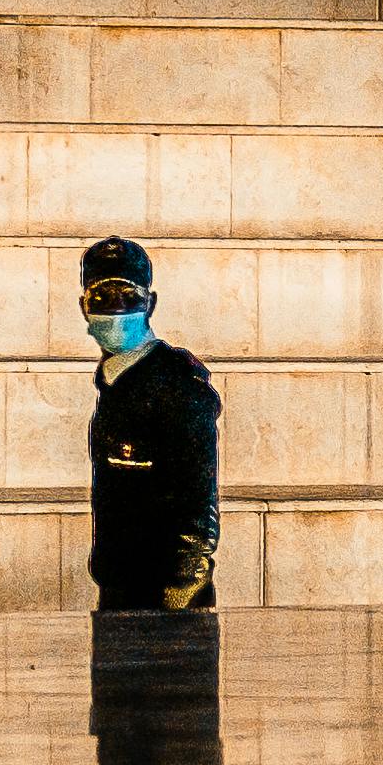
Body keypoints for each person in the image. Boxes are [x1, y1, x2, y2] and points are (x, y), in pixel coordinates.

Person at [77, 232, 218, 614]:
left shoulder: (176, 383)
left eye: (129, 297)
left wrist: (183, 595)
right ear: (84, 308)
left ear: (150, 304)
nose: (116, 310)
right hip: (119, 588)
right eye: (102, 299)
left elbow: (197, 504)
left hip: (167, 600)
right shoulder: (112, 381)